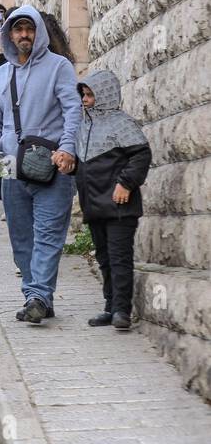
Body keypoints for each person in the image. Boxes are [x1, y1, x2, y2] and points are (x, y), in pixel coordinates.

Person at [0, 7, 82, 325]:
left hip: (53, 164)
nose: (24, 34)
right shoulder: (0, 75)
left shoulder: (59, 67)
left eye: (29, 28)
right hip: (12, 166)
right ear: (8, 35)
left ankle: (38, 294)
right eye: (18, 29)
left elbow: (72, 110)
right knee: (21, 236)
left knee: (49, 234)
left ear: (39, 32)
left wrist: (68, 148)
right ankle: (35, 296)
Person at [74, 71, 151, 332]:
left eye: (90, 94)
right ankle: (110, 306)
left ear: (104, 94)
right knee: (104, 258)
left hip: (119, 205)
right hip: (94, 204)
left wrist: (126, 183)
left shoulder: (122, 124)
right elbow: (85, 164)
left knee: (119, 258)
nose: (85, 100)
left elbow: (141, 155)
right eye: (83, 94)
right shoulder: (85, 126)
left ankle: (122, 310)